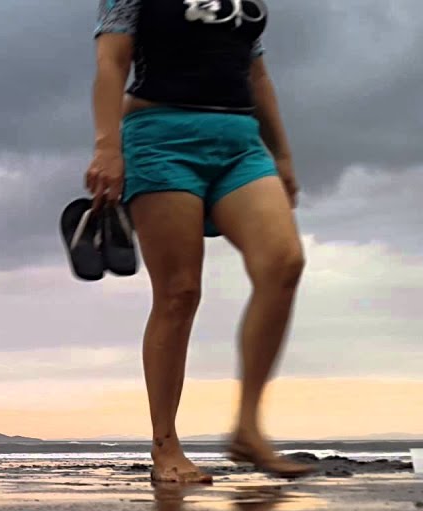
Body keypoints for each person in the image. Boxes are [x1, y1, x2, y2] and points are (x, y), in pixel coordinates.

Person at [87, 0, 314, 483]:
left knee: (284, 263)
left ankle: (248, 428)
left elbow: (256, 73)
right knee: (179, 292)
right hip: (161, 137)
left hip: (241, 143)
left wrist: (284, 156)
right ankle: (165, 446)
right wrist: (107, 145)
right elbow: (113, 60)